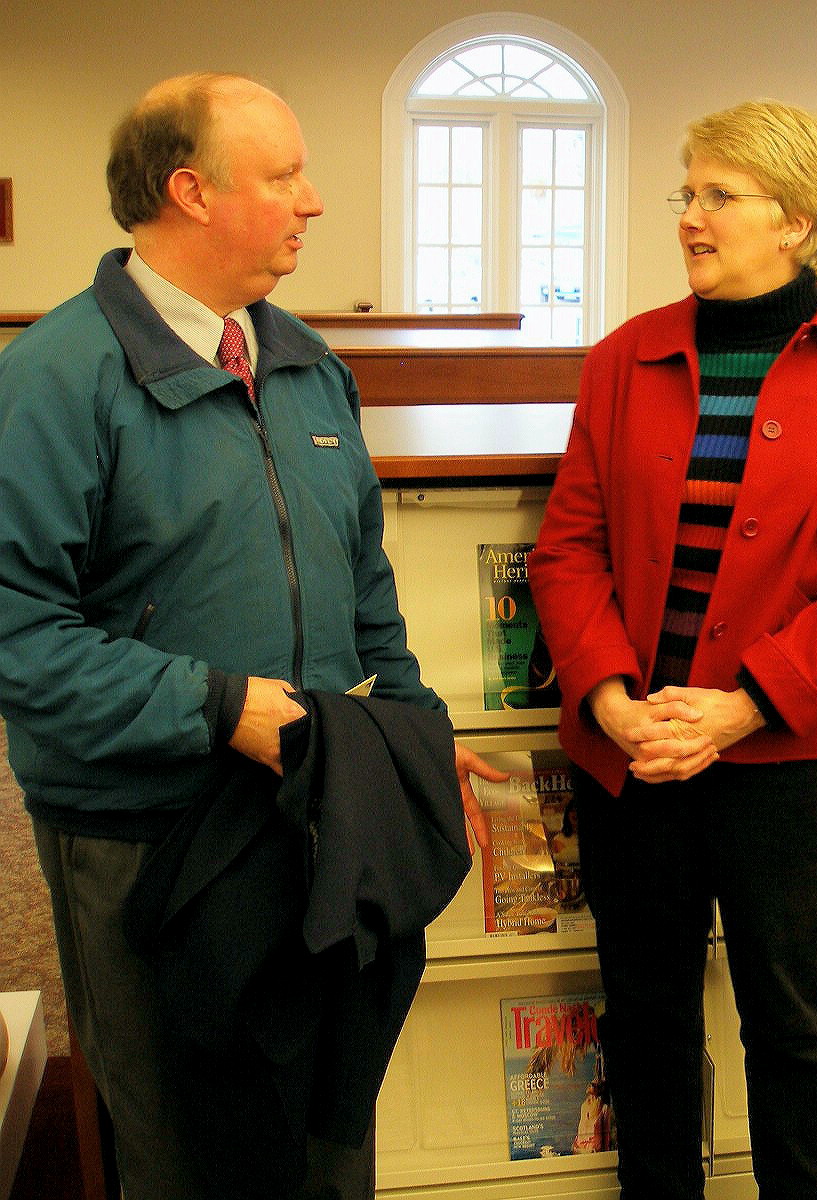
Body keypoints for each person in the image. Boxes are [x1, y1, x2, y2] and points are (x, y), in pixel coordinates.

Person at [0, 72, 500, 1200]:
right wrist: (218, 706)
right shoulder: (52, 380)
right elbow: (19, 636)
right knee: (183, 1146)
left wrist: (412, 741)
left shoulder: (307, 366)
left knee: (325, 1126)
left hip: (313, 808)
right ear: (189, 190)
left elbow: (365, 585)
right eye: (282, 176)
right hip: (142, 830)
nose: (312, 200)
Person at [527, 99, 817, 1200]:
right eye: (687, 192)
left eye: (719, 196)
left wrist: (741, 705)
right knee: (647, 1016)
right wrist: (611, 697)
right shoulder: (623, 358)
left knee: (792, 1024)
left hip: (791, 765)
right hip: (636, 756)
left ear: (798, 222)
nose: (689, 217)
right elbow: (568, 544)